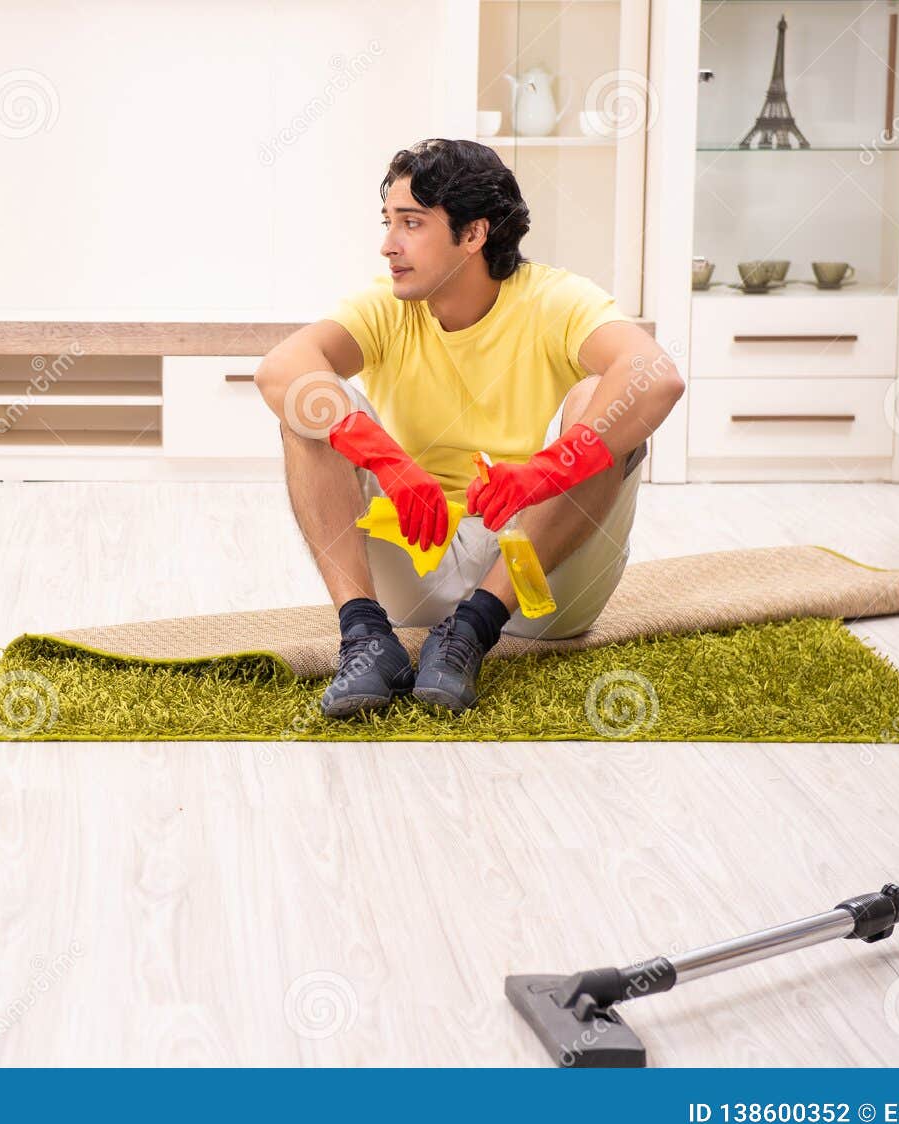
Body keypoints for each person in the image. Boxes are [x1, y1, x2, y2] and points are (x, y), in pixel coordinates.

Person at [255, 138, 684, 718]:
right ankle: (364, 639)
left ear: (474, 233)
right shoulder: (389, 305)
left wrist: (546, 470)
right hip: (421, 557)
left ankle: (474, 630)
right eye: (389, 222)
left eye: (411, 223)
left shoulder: (556, 299)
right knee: (310, 404)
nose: (388, 245)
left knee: (596, 398)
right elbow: (278, 370)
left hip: (538, 579)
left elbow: (655, 376)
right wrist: (390, 462)